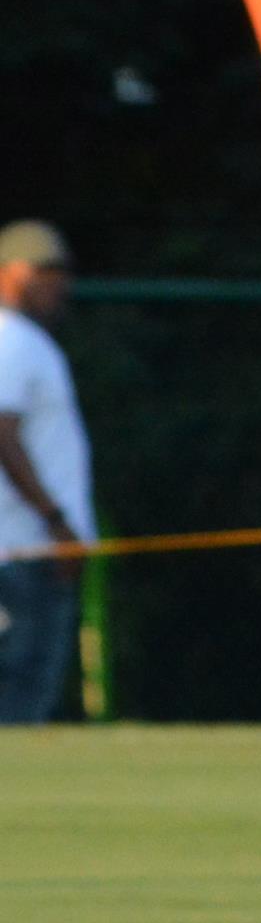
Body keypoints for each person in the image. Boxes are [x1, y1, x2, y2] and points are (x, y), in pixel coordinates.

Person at [0, 221, 91, 726]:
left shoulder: (26, 340)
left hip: (27, 546)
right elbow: (2, 433)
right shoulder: (9, 339)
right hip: (20, 548)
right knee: (21, 680)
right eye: (42, 270)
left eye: (61, 272)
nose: (57, 283)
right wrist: (55, 522)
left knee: (29, 683)